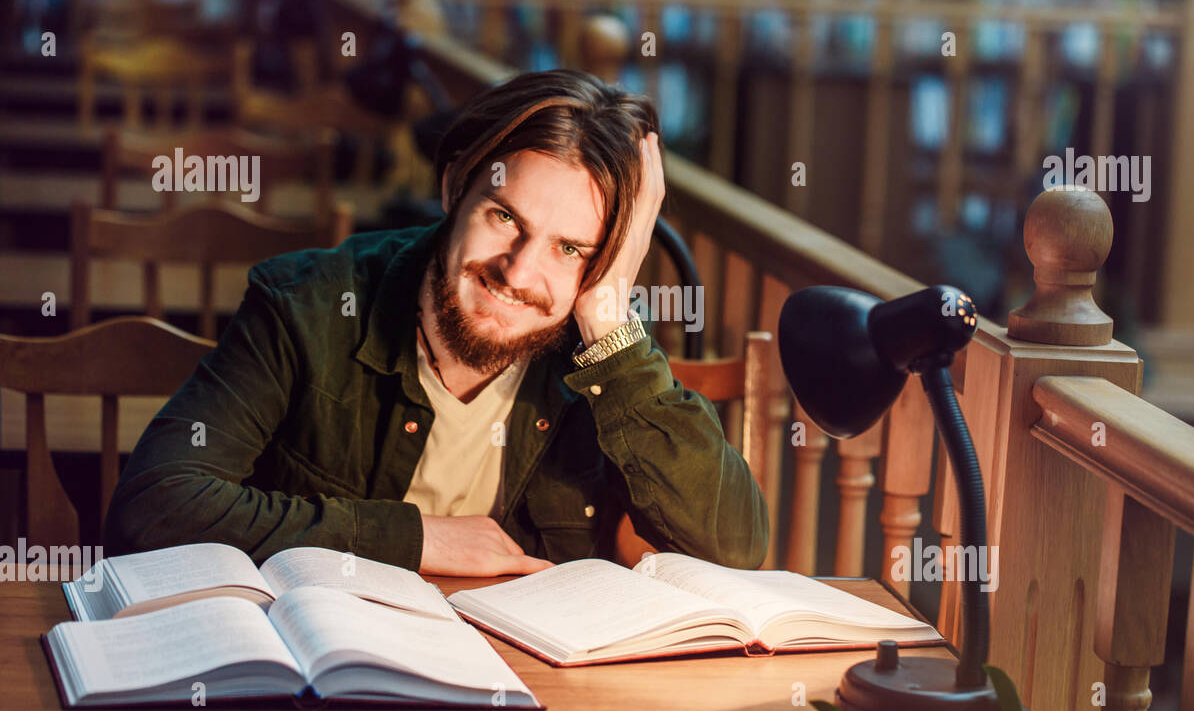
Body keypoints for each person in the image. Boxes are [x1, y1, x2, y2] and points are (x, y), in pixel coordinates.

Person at [104, 69, 769, 577]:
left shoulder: (601, 349)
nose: (518, 272)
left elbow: (735, 547)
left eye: (571, 249)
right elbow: (153, 506)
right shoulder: (309, 302)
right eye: (504, 217)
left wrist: (610, 326)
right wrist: (417, 536)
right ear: (455, 187)